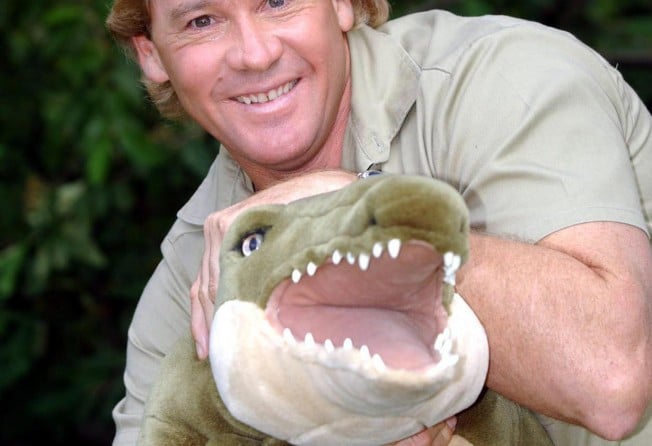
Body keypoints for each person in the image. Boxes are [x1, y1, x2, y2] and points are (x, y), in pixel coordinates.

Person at [105, 0, 652, 445]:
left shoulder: (506, 78)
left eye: (277, 1)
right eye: (202, 21)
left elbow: (611, 382)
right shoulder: (190, 269)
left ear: (342, 3)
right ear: (151, 54)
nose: (255, 53)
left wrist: (355, 210)